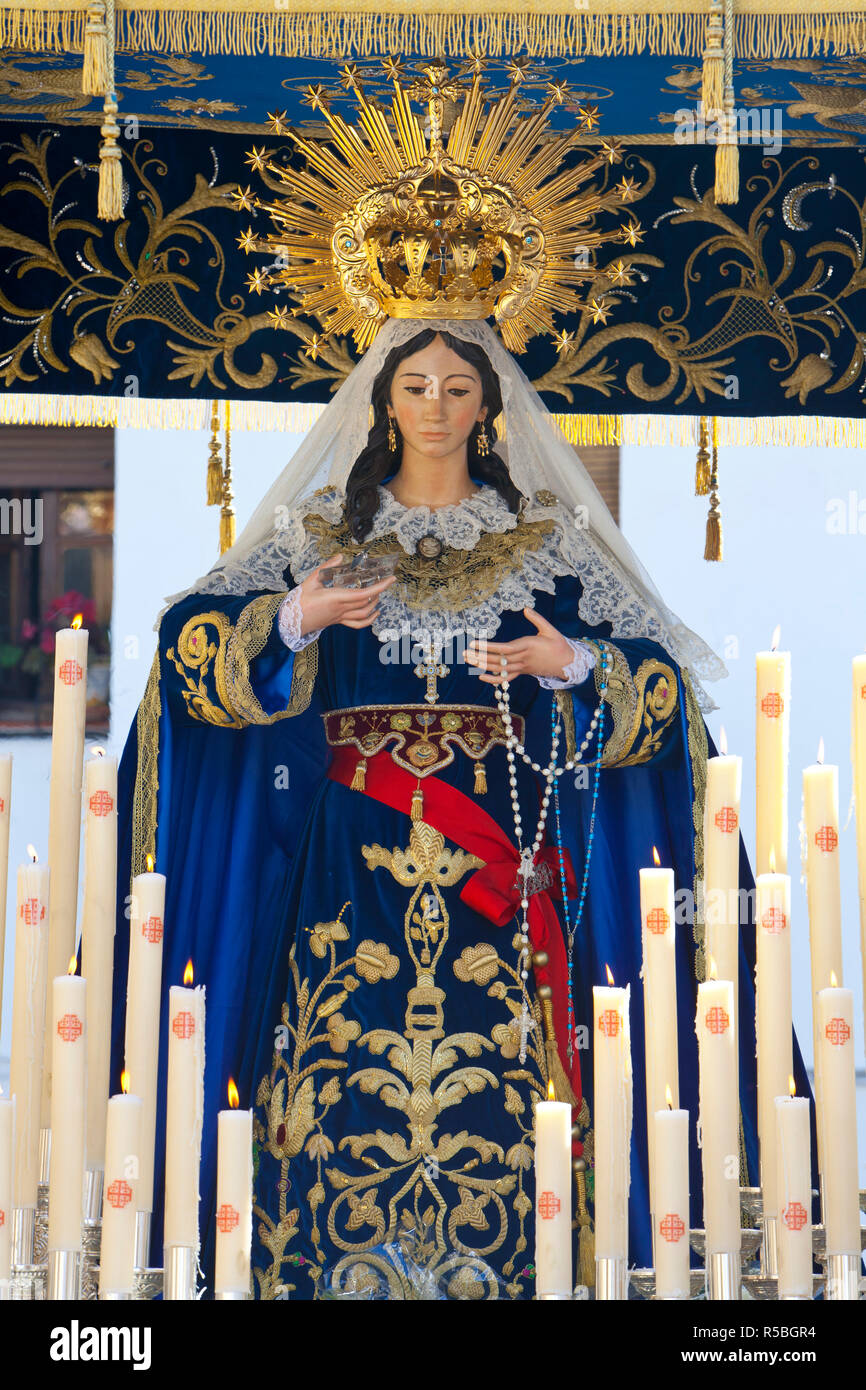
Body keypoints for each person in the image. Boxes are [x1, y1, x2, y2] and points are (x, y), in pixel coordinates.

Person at [110, 318, 810, 1300]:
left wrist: (571, 665)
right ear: (381, 402)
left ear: (488, 406)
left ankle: (526, 1268)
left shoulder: (550, 551)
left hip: (505, 847)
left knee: (515, 1070)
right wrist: (294, 619)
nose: (433, 406)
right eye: (414, 385)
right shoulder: (321, 539)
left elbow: (655, 690)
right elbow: (191, 649)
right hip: (348, 859)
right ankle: (320, 1265)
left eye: (454, 387)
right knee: (335, 1061)